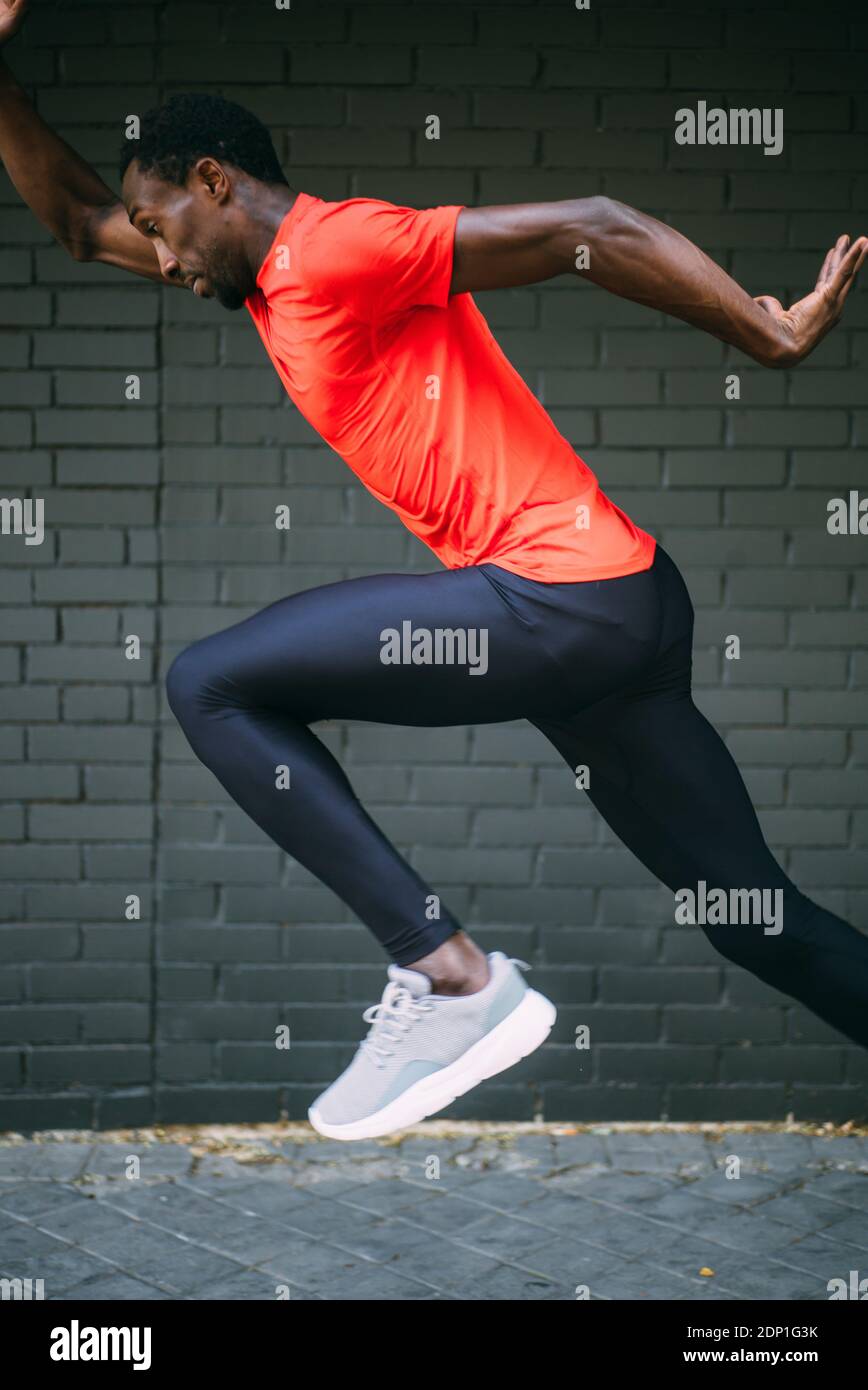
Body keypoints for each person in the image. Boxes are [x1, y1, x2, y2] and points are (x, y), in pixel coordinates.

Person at [2, 0, 866, 1142]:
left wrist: (766, 338)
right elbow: (71, 218)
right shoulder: (257, 283)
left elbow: (593, 229)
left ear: (214, 181)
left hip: (564, 599)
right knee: (753, 918)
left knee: (210, 683)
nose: (157, 256)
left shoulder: (339, 248)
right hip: (611, 622)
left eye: (162, 224)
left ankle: (453, 975)